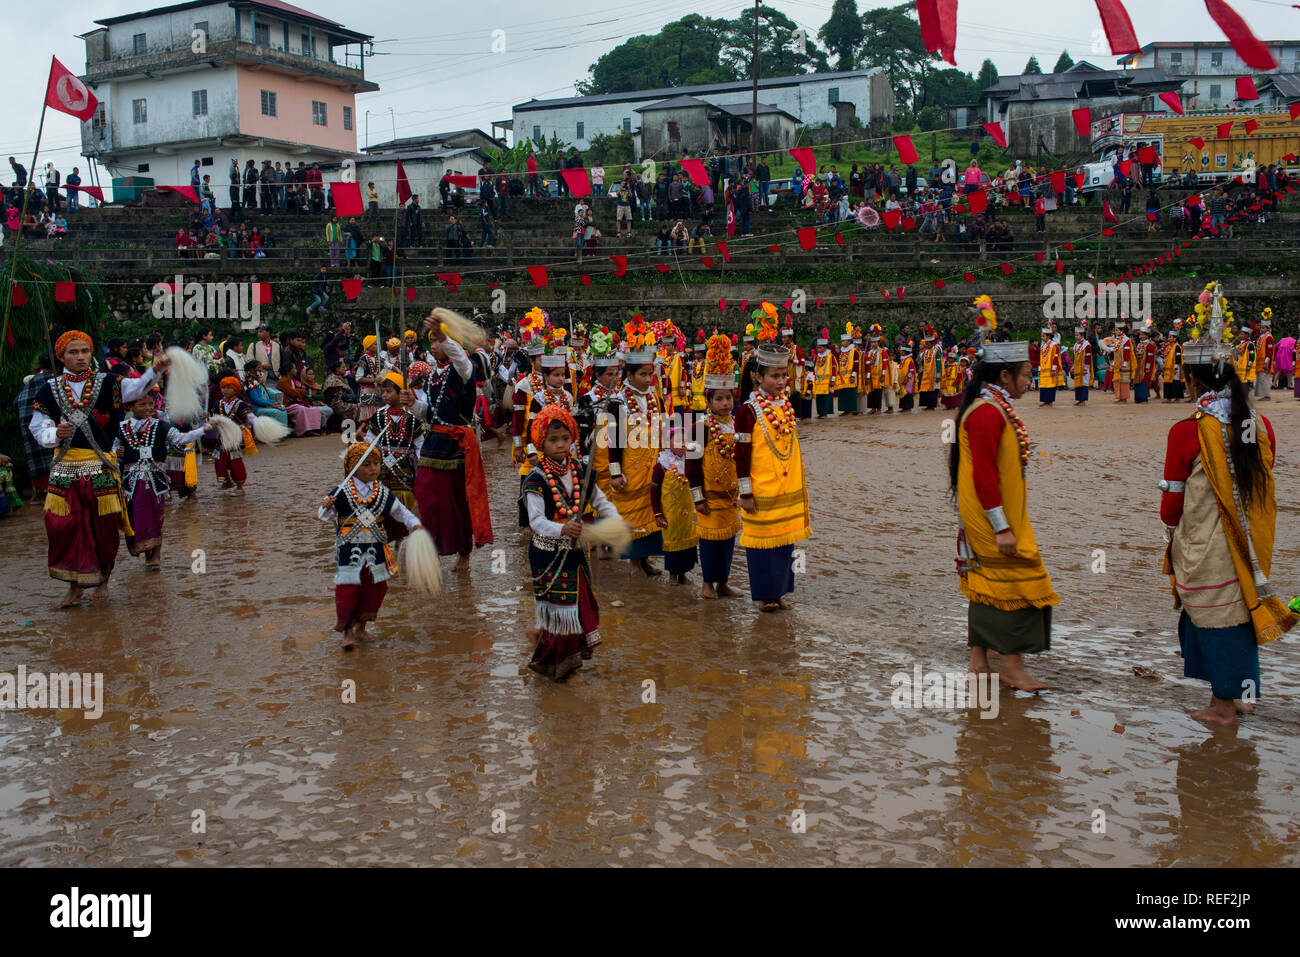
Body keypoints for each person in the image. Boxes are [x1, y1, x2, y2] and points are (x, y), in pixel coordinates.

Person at [1160, 288, 1295, 726]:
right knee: (1241, 613)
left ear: (1194, 379)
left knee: (1213, 618)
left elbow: (1170, 507)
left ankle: (1221, 709)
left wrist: (1174, 532)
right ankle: (1242, 696)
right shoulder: (1261, 423)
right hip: (1251, 543)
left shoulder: (1188, 430)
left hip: (1208, 546)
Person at [27, 331, 168, 606]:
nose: (80, 357)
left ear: (91, 353)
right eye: (73, 352)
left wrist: (154, 372)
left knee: (102, 527)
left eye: (85, 351)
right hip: (65, 467)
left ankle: (102, 579)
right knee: (61, 527)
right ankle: (74, 585)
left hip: (100, 465)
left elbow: (137, 389)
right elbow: (37, 426)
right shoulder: (48, 390)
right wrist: (55, 432)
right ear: (61, 357)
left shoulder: (110, 382)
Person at [951, 339, 1059, 691]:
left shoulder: (995, 408)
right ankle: (1012, 665)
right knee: (1017, 579)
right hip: (990, 516)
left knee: (984, 582)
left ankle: (979, 662)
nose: (1031, 380)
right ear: (1004, 375)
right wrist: (1002, 527)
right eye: (1027, 374)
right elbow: (984, 473)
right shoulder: (986, 412)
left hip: (992, 512)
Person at [521, 406, 620, 681]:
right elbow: (537, 521)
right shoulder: (535, 479)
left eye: (565, 438)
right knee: (560, 610)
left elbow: (600, 502)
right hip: (547, 554)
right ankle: (563, 669)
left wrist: (617, 522)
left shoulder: (581, 470)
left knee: (579, 607)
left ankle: (543, 640)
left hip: (575, 554)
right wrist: (563, 528)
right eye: (553, 440)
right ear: (541, 442)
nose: (561, 445)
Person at [402, 310, 494, 572]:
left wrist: (444, 336)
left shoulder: (464, 369)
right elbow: (430, 412)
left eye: (438, 340)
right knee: (425, 496)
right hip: (433, 442)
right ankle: (429, 547)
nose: (433, 345)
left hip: (457, 445)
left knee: (457, 502)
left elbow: (458, 356)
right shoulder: (432, 375)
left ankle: (463, 553)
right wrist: (412, 405)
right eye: (431, 341)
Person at [320, 443, 424, 651]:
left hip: (376, 550)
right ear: (352, 468)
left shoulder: (384, 493)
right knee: (348, 589)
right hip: (349, 550)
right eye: (366, 465)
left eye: (376, 463)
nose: (373, 468)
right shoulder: (340, 493)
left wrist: (415, 524)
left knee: (375, 588)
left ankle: (362, 626)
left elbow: (401, 512)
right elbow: (324, 516)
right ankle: (347, 631)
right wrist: (326, 506)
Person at [735, 338, 811, 613]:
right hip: (760, 489)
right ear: (758, 377)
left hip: (785, 487)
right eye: (774, 376)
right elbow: (741, 455)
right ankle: (764, 596)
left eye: (783, 376)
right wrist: (745, 492)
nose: (781, 381)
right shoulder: (747, 410)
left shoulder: (785, 404)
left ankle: (780, 592)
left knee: (784, 544)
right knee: (761, 547)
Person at [114, 390, 206, 569]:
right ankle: (145, 549)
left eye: (150, 404)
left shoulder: (161, 426)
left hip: (154, 480)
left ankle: (154, 554)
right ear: (131, 407)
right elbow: (114, 447)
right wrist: (116, 453)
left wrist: (204, 430)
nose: (148, 408)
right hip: (130, 481)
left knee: (154, 515)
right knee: (134, 516)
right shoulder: (122, 427)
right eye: (142, 405)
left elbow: (181, 438)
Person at [686, 333, 741, 599]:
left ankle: (723, 583)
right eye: (719, 399)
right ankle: (707, 584)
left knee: (728, 542)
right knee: (710, 543)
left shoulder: (737, 424)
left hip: (731, 497)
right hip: (709, 497)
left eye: (728, 398)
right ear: (708, 402)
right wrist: (697, 498)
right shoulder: (700, 427)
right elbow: (691, 465)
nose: (725, 403)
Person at [606, 325, 664, 575]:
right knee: (631, 514)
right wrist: (616, 472)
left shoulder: (654, 398)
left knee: (652, 512)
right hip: (630, 466)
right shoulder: (618, 402)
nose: (647, 379)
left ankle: (645, 559)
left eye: (650, 373)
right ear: (628, 375)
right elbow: (613, 440)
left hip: (652, 464)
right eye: (642, 374)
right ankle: (633, 562)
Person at [650, 425, 698, 586]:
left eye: (685, 440)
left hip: (688, 513)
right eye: (678, 440)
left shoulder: (691, 463)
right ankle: (672, 575)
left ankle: (684, 574)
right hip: (670, 513)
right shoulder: (661, 466)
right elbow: (654, 491)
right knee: (672, 542)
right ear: (667, 443)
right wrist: (657, 513)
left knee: (688, 542)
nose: (682, 444)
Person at [211, 376, 258, 489]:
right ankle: (227, 480)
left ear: (235, 389)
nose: (225, 390)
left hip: (234, 438)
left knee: (235, 461)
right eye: (223, 387)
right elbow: (214, 419)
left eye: (228, 387)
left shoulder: (241, 405)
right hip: (222, 437)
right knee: (220, 460)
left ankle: (239, 486)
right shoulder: (218, 404)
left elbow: (249, 417)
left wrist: (259, 423)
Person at [1039, 327, 1063, 406]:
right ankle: (1045, 400)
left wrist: (1053, 369)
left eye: (1043, 336)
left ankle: (1050, 401)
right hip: (1044, 369)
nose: (1042, 338)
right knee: (1044, 385)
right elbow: (1041, 358)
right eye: (1041, 336)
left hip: (1050, 369)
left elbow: (1056, 357)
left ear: (1048, 336)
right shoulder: (1043, 346)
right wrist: (1039, 369)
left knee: (1050, 385)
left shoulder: (1054, 345)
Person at [1071, 325, 1093, 405]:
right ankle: (1079, 399)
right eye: (1075, 335)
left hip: (1084, 367)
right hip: (1077, 367)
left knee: (1083, 383)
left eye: (1077, 335)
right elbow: (1074, 358)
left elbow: (1088, 358)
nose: (1076, 337)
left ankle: (1083, 400)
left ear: (1082, 335)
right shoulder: (1076, 345)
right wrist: (1073, 367)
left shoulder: (1086, 345)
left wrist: (1086, 368)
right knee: (1078, 383)